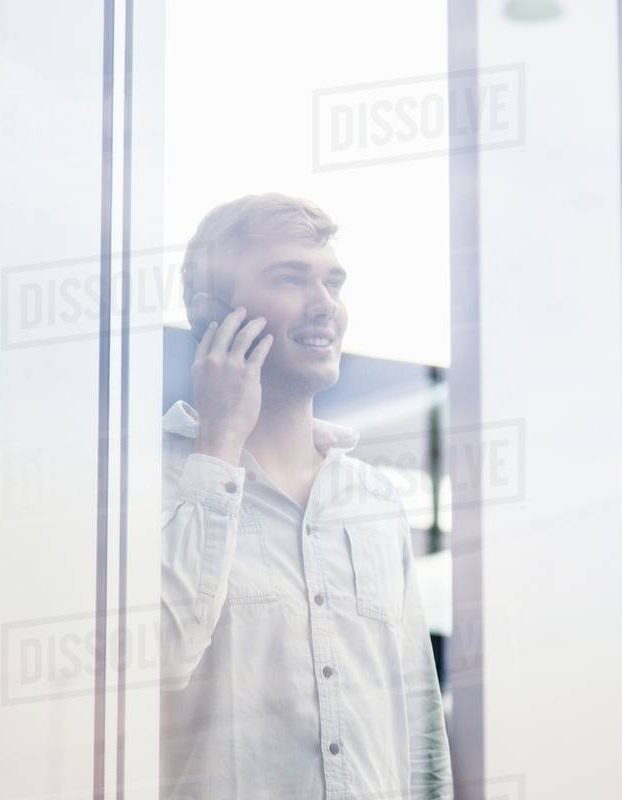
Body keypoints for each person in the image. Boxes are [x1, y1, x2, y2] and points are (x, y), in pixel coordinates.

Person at [160, 193, 453, 799]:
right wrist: (218, 443)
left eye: (333, 284)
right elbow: (158, 657)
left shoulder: (372, 500)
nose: (325, 307)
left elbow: (420, 727)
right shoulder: (147, 483)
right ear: (212, 310)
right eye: (291, 279)